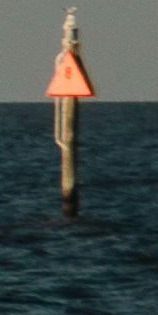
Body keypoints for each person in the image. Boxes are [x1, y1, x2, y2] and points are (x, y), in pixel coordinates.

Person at [47, 11, 96, 209]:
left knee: (67, 144)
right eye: (70, 32)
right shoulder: (66, 59)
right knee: (66, 143)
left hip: (70, 69)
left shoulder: (69, 58)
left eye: (72, 32)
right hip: (68, 72)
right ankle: (69, 204)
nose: (71, 35)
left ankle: (69, 204)